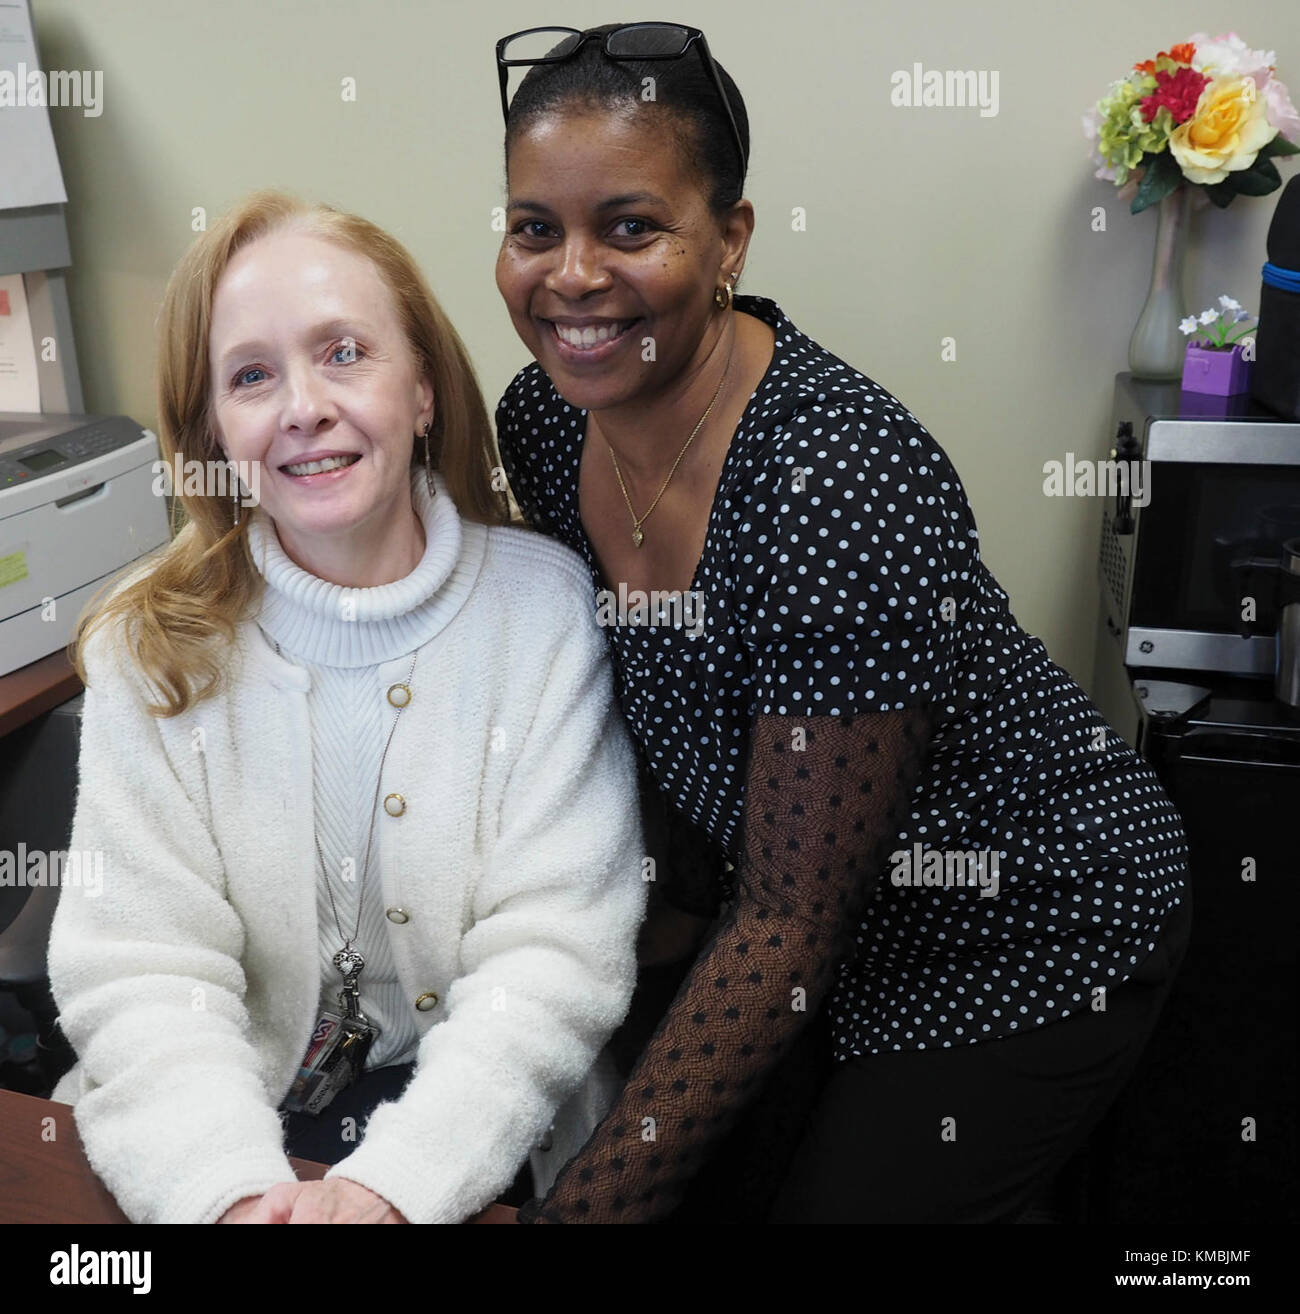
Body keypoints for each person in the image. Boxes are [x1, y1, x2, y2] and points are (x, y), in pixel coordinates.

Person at [490, 23, 1193, 1223]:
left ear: (731, 239)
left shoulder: (838, 484)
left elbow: (788, 925)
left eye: (630, 226)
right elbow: (622, 708)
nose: (570, 279)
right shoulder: (547, 421)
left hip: (1020, 925)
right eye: (533, 228)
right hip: (795, 916)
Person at [45, 190, 647, 1225]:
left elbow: (556, 952)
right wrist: (227, 1195)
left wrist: (397, 1187)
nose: (301, 407)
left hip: (476, 1132)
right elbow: (140, 973)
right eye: (250, 376)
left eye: (342, 353)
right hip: (213, 1126)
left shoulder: (542, 610)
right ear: (213, 428)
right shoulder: (147, 650)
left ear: (421, 389)